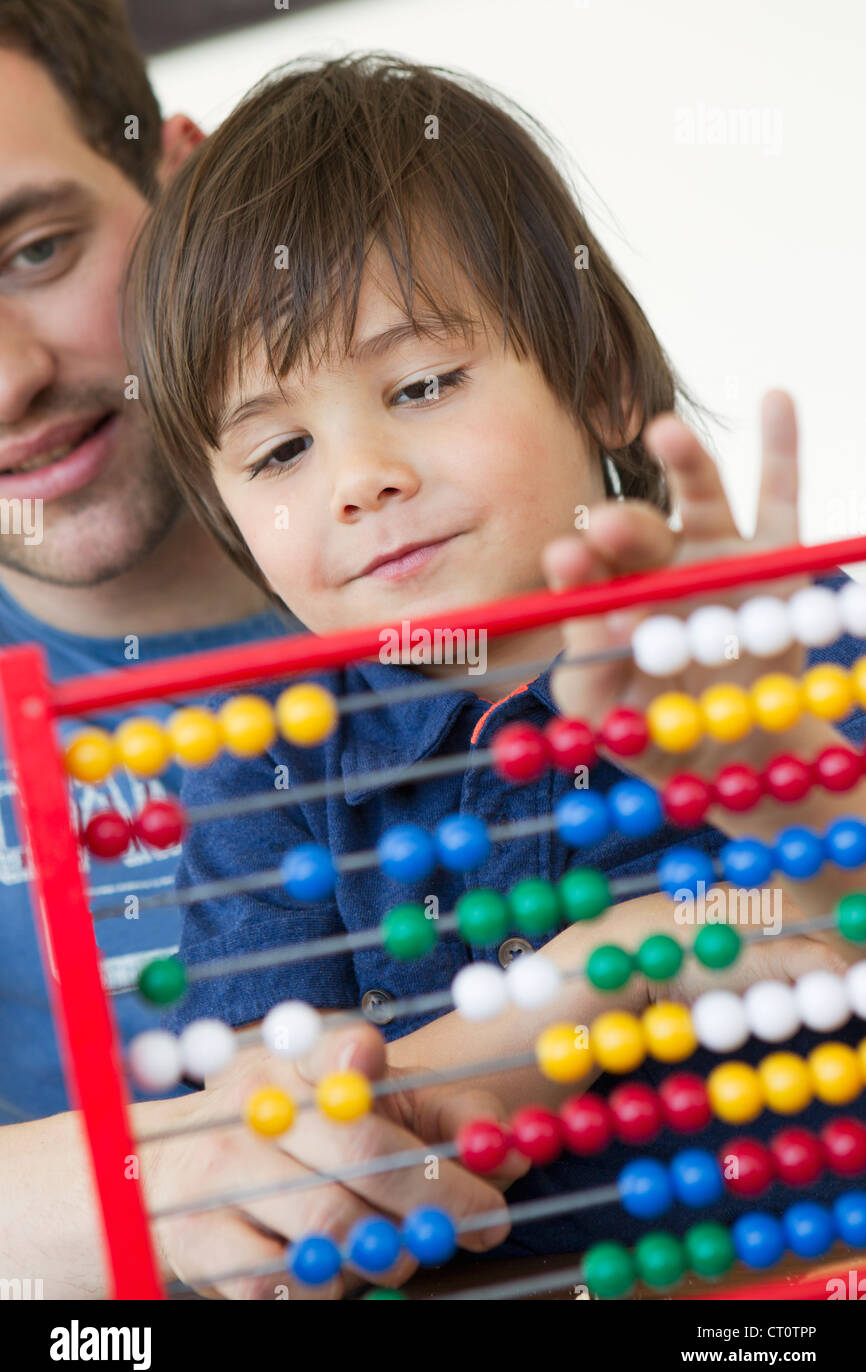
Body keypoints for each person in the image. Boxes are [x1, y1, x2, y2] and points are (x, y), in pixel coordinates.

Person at [128, 52, 866, 1269]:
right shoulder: (263, 775)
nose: (361, 479)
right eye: (278, 454)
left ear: (600, 380)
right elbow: (273, 1159)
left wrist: (793, 776)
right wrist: (584, 987)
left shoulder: (768, 645)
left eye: (422, 383)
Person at [0, 6, 513, 1301]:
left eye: (36, 250)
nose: (7, 379)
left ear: (178, 173)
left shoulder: (529, 565)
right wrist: (161, 1176)